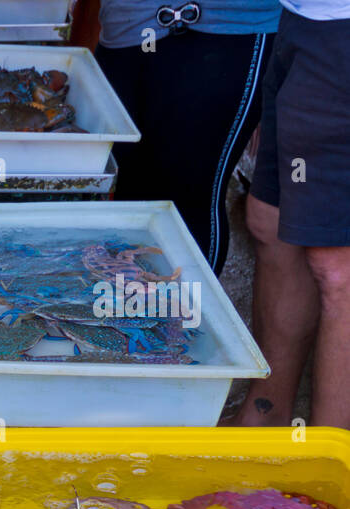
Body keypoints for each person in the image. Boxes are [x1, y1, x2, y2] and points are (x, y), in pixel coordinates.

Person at [96, 0, 279, 274]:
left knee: (186, 205)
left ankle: (183, 315)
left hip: (222, 31)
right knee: (121, 193)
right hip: (124, 26)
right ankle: (122, 309)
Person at [234, 0, 350, 427]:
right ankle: (265, 422)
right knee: (270, 222)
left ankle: (326, 469)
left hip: (341, 38)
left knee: (338, 266)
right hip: (301, 24)